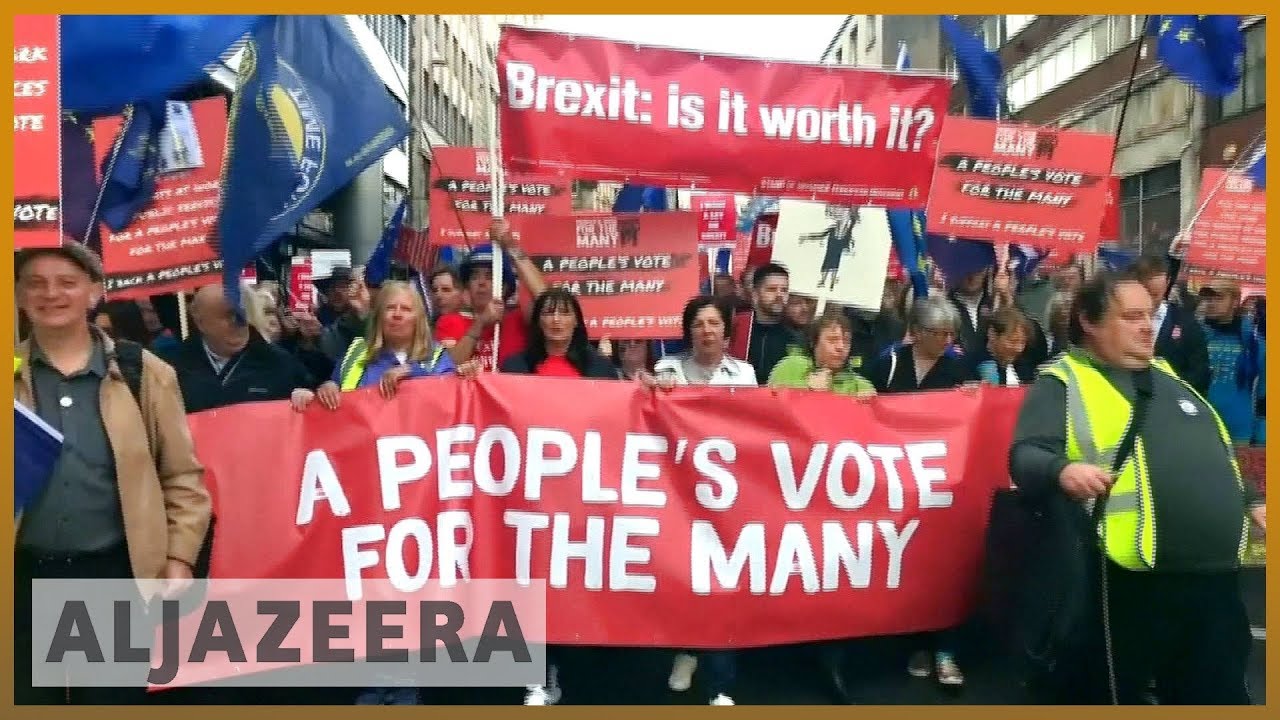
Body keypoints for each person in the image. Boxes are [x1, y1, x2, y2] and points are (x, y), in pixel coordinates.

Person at [1009, 271, 1264, 704]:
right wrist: (1061, 470)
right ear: (1089, 321)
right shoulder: (1064, 381)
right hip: (1123, 582)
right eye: (1131, 317)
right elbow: (1025, 455)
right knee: (1106, 695)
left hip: (1212, 579)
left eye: (1149, 315)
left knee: (1218, 694)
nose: (1147, 326)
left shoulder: (1172, 378)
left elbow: (1214, 454)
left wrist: (1251, 499)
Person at [14, 242, 211, 704]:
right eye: (36, 284)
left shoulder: (144, 373)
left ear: (94, 292)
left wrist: (179, 556)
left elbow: (182, 477)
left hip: (112, 575)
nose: (51, 294)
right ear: (19, 296)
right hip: (21, 579)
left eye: (67, 282)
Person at [642, 295, 754, 706]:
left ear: (727, 332)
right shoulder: (668, 369)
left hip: (728, 495)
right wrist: (651, 389)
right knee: (686, 578)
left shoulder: (745, 374)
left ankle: (720, 683)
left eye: (714, 323)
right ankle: (687, 651)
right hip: (678, 493)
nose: (707, 331)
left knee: (724, 581)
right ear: (688, 332)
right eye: (699, 324)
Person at [293, 281, 459, 416]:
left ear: (418, 319)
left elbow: (450, 400)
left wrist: (413, 372)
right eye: (390, 308)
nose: (397, 314)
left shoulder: (437, 356)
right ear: (379, 316)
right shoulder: (356, 354)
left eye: (406, 309)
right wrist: (319, 394)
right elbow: (334, 399)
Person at [167, 283, 316, 414]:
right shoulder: (173, 369)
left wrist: (309, 396)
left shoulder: (279, 362)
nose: (238, 322)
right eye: (228, 315)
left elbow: (315, 395)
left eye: (241, 313)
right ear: (201, 323)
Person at [436, 219, 548, 372]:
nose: (481, 282)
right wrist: (480, 323)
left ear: (505, 287)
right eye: (474, 277)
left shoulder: (518, 320)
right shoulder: (450, 322)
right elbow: (447, 367)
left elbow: (546, 301)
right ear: (467, 287)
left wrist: (510, 246)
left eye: (490, 276)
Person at [1128, 255, 1210, 394]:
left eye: (1156, 294)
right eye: (1146, 293)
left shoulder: (1187, 324)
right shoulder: (1118, 321)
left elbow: (1199, 375)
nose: (1150, 301)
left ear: (1167, 283)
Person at [865, 296, 978, 394]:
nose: (949, 340)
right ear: (918, 331)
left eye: (952, 334)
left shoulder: (958, 368)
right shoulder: (890, 363)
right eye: (942, 334)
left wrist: (971, 394)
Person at [1198, 279, 1263, 444]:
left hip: (1237, 428)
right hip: (1198, 422)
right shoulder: (1195, 333)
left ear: (1234, 302)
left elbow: (1265, 390)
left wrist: (1262, 434)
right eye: (1208, 298)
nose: (1211, 303)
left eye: (1218, 298)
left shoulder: (1252, 339)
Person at [501, 288, 618, 378]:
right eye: (548, 313)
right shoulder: (515, 367)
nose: (556, 319)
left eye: (564, 313)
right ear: (538, 321)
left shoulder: (601, 368)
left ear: (576, 321)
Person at [768, 311, 876, 396]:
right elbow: (772, 405)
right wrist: (808, 389)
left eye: (846, 341)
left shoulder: (862, 386)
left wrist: (868, 406)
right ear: (813, 342)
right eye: (832, 340)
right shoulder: (790, 366)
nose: (841, 347)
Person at [731, 262, 800, 382]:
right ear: (755, 294)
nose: (779, 295)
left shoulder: (796, 337)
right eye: (771, 289)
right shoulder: (737, 328)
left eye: (784, 290)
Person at [975, 307, 1034, 386]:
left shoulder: (1025, 369)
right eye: (1013, 341)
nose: (1019, 349)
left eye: (1022, 342)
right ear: (992, 334)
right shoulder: (972, 365)